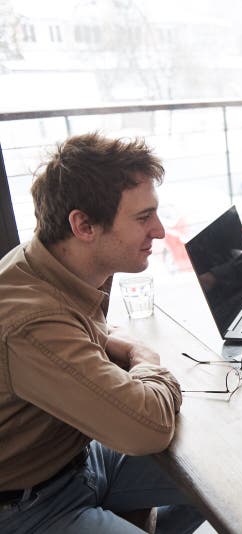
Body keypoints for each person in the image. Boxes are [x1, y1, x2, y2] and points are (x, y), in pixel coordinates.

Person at [0, 133, 205, 533]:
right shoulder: (31, 320)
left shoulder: (54, 264)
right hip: (28, 507)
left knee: (226, 475)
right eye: (143, 217)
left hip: (80, 459)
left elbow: (72, 335)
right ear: (83, 225)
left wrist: (113, 344)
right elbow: (147, 428)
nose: (159, 230)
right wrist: (145, 360)